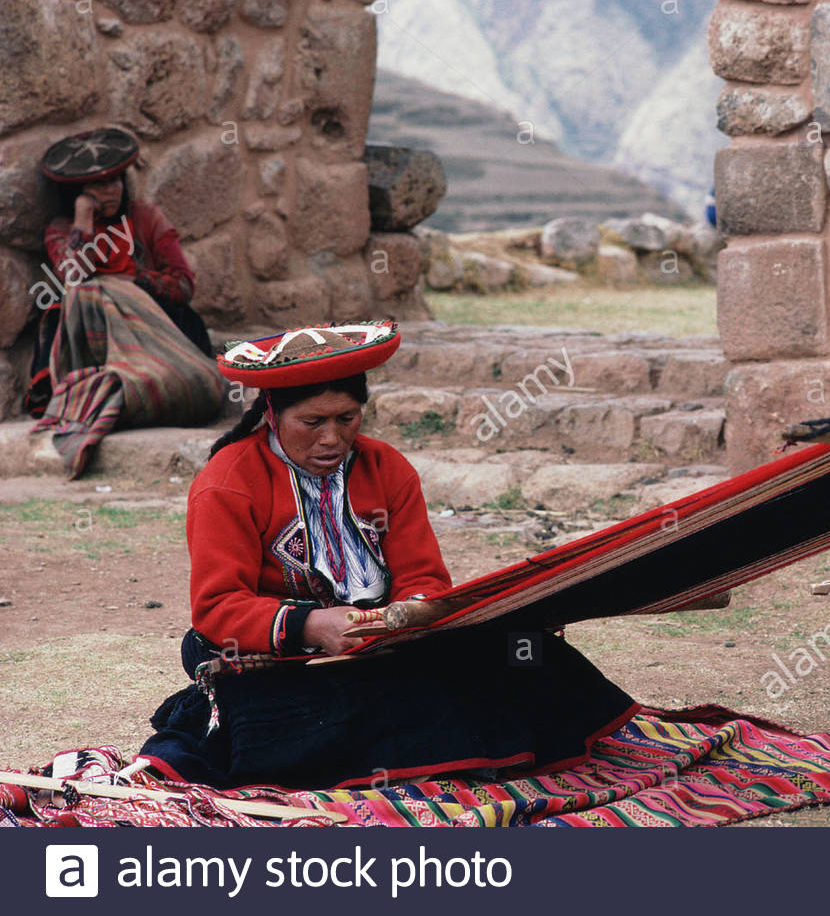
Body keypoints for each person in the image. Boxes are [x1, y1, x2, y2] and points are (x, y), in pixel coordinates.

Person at [139, 323, 637, 789]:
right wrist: (314, 627)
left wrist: (406, 619)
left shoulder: (387, 469)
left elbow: (423, 576)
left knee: (527, 654)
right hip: (276, 656)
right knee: (294, 712)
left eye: (346, 418)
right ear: (273, 413)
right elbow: (218, 605)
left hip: (387, 648)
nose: (331, 438)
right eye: (312, 421)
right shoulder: (229, 483)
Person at [28, 127, 223, 477]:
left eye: (116, 180)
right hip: (99, 334)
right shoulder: (61, 229)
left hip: (153, 324)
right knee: (77, 298)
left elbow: (182, 284)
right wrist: (84, 221)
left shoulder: (145, 218)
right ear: (78, 194)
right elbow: (72, 276)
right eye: (99, 186)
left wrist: (133, 283)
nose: (112, 190)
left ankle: (153, 385)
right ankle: (107, 391)